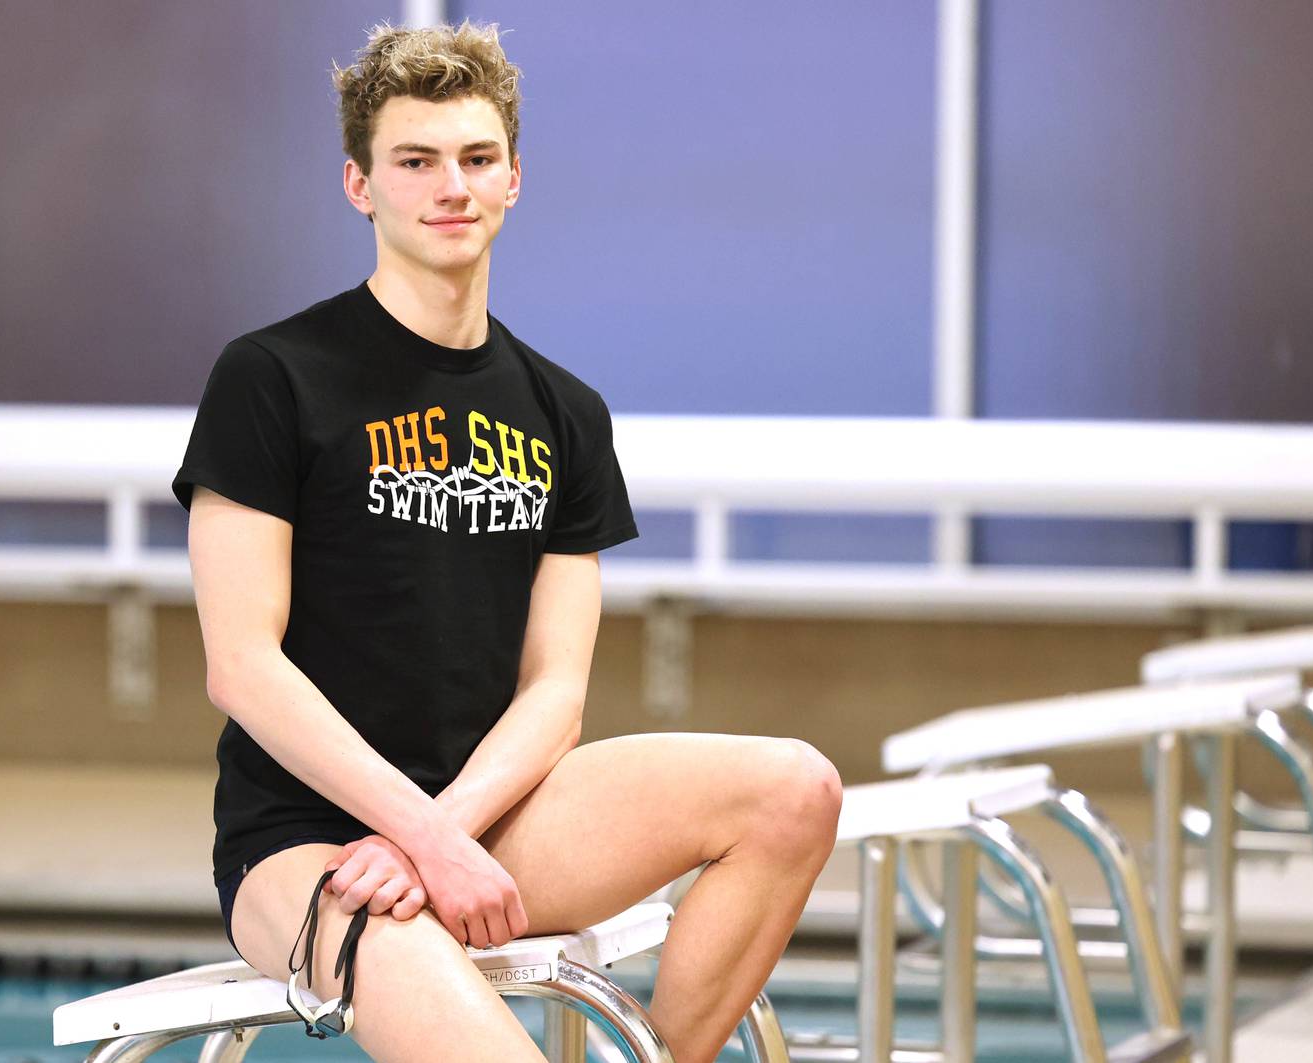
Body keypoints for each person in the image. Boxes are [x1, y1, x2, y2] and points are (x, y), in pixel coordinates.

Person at [172, 21, 841, 1063]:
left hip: (493, 815)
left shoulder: (564, 412)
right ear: (360, 185)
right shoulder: (272, 376)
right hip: (306, 841)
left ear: (514, 179)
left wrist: (444, 831)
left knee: (794, 789)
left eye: (477, 159)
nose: (452, 187)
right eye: (416, 161)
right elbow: (242, 666)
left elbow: (555, 692)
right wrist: (420, 836)